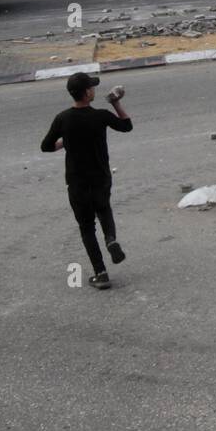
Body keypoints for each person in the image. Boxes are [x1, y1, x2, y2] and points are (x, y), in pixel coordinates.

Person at [40, 73, 133, 290]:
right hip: (100, 178)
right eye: (92, 87)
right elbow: (126, 126)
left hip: (77, 183)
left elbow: (46, 146)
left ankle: (101, 274)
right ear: (87, 92)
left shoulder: (63, 118)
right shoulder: (100, 116)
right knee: (104, 210)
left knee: (86, 228)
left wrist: (66, 141)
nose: (94, 89)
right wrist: (116, 102)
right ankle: (111, 239)